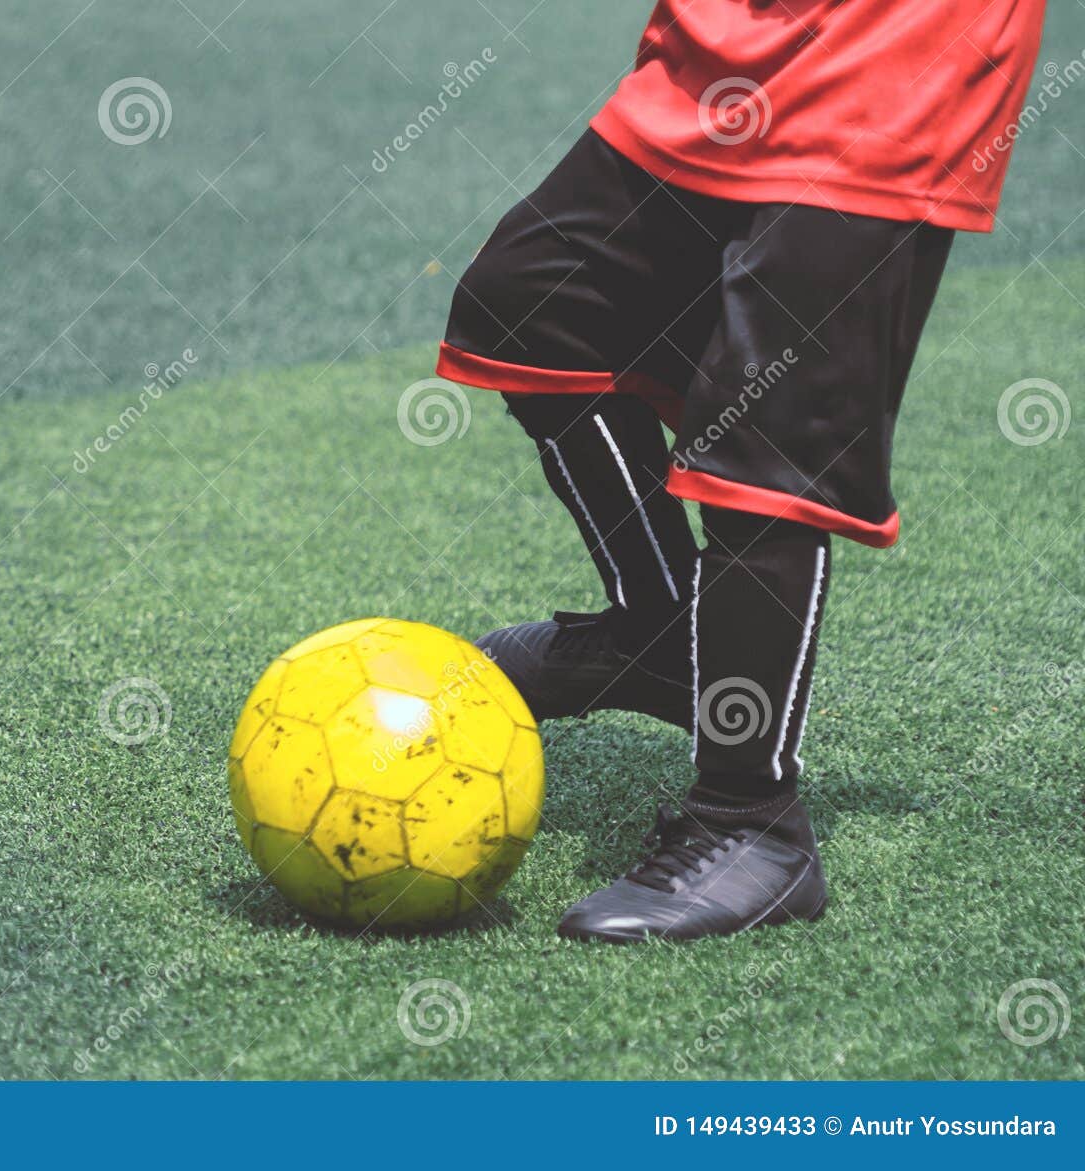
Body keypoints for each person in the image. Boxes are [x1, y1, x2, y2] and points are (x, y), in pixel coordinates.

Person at [437, 0, 1048, 942]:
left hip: (893, 59)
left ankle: (752, 819)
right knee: (530, 303)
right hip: (723, 48)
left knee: (768, 438)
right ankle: (662, 633)